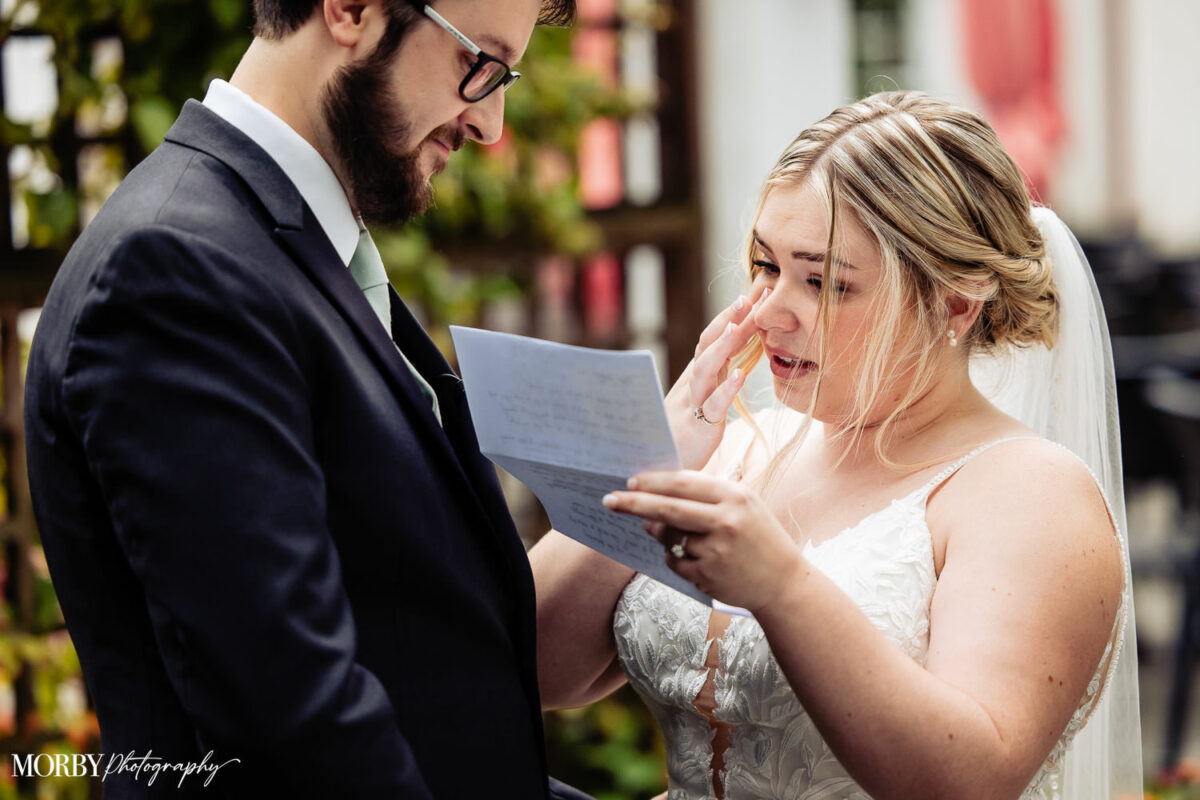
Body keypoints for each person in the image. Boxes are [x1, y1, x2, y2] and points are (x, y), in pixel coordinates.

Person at [23, 0, 593, 797]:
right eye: (480, 65)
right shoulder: (175, 270)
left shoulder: (285, 244)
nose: (490, 124)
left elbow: (421, 668)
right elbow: (300, 726)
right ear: (350, 9)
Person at [532, 91, 1142, 799]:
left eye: (823, 282)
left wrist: (782, 588)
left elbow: (969, 780)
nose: (769, 313)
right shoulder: (734, 450)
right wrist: (650, 454)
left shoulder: (1030, 494)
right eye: (766, 267)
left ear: (953, 304)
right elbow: (536, 667)